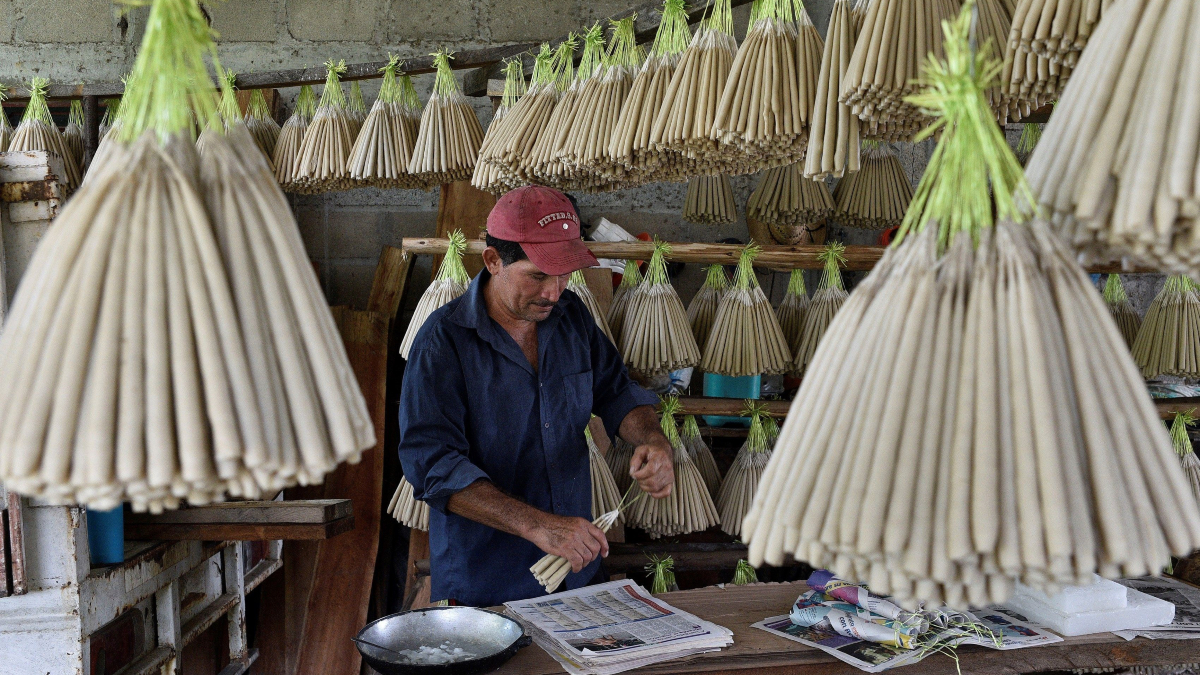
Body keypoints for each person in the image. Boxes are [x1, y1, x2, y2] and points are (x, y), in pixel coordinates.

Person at [398, 185, 675, 607]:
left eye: (564, 274)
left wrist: (652, 440)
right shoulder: (443, 343)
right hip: (486, 584)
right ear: (493, 261)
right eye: (538, 275)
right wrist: (541, 527)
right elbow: (433, 466)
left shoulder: (570, 316)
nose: (554, 292)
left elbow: (616, 390)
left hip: (575, 574)